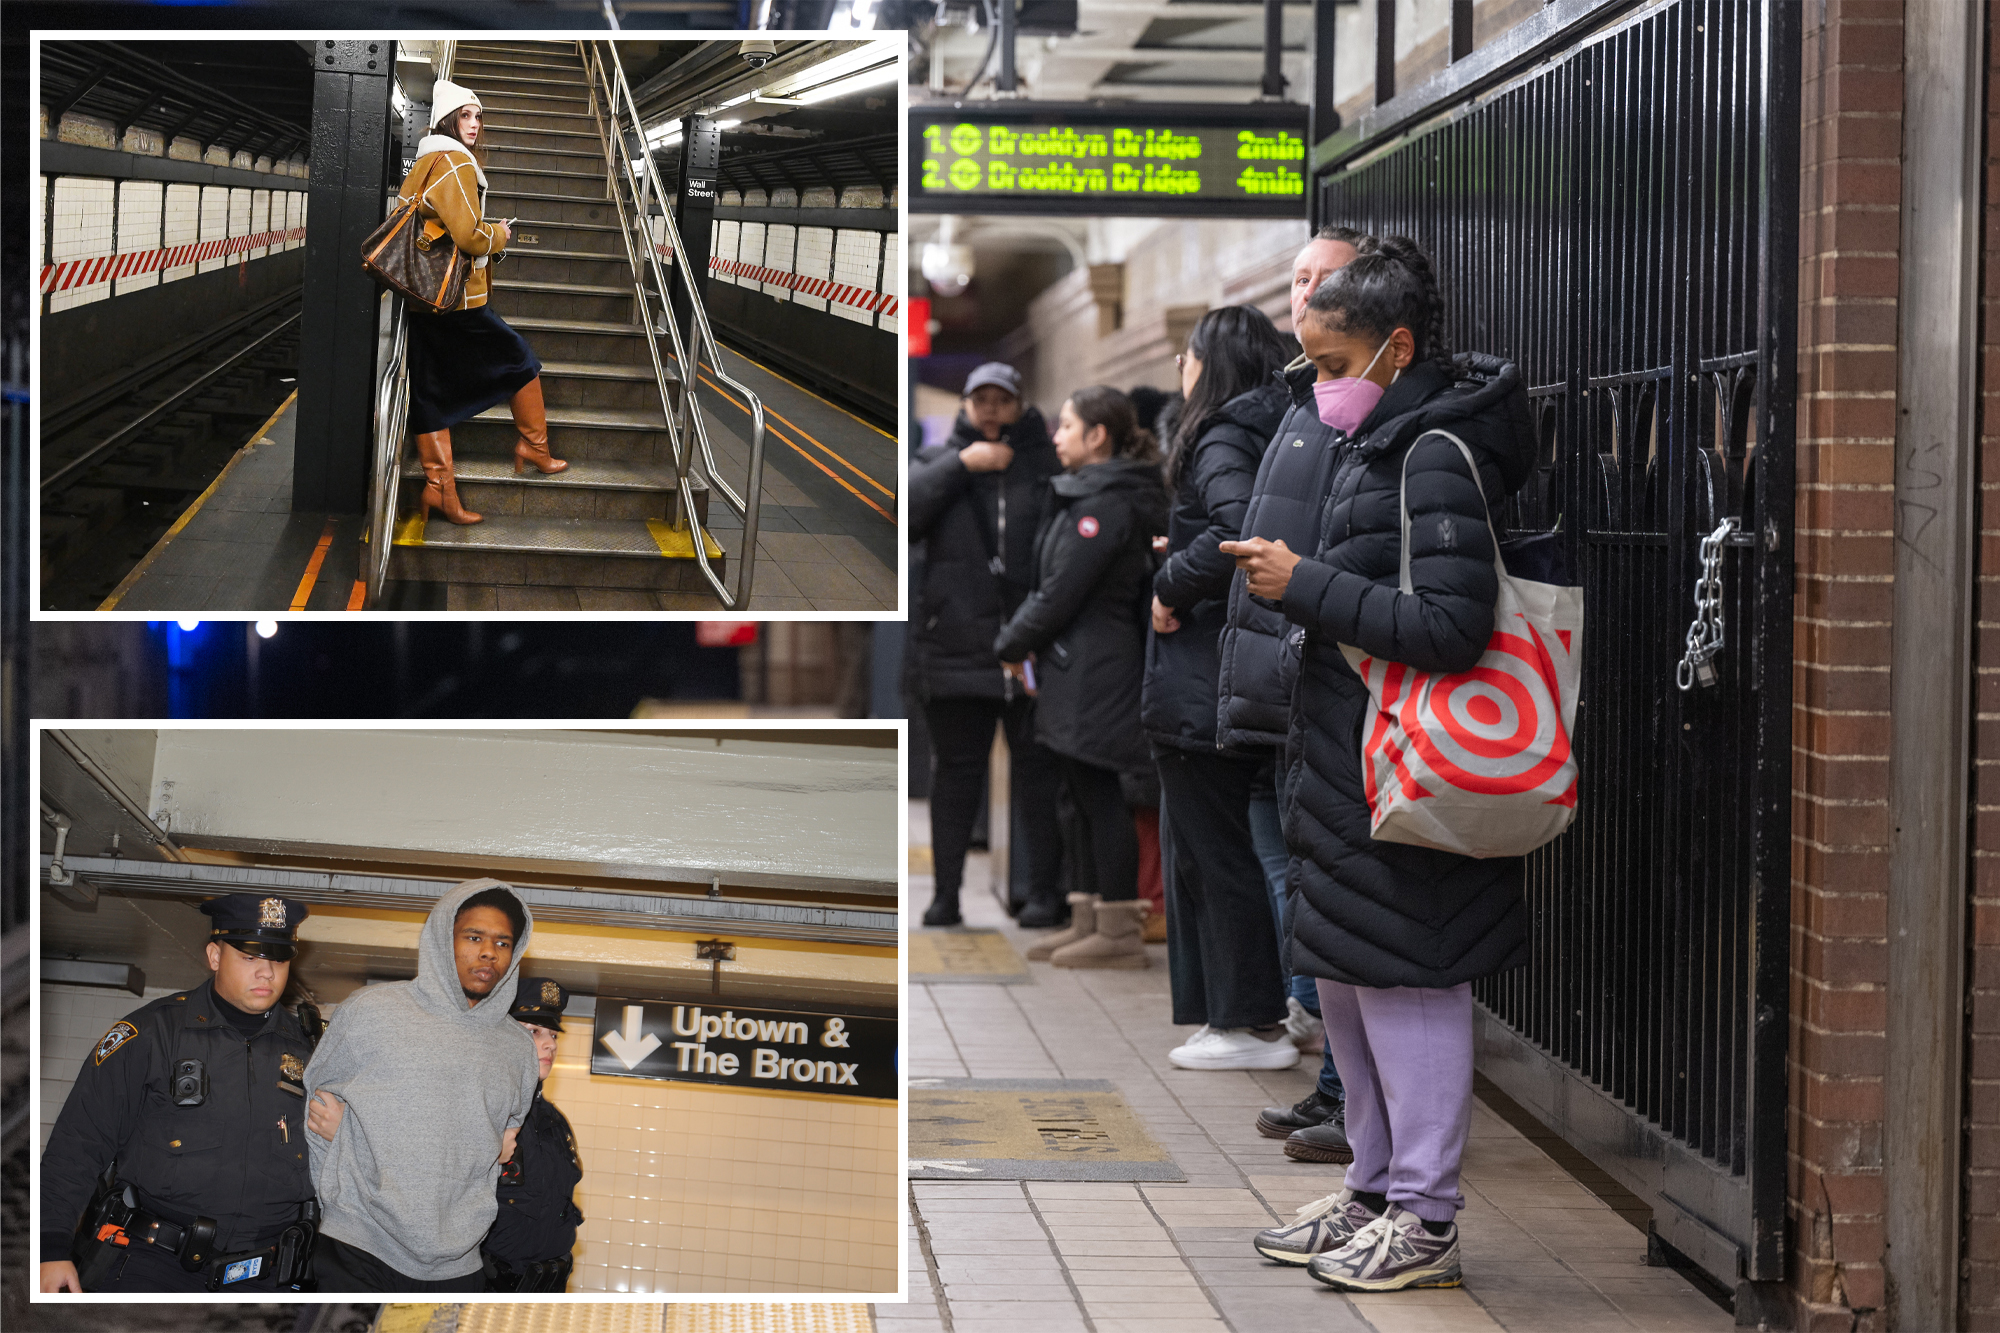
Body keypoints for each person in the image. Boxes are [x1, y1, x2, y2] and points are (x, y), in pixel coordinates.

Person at [1225, 237, 1536, 1292]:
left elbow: (1452, 626)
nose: (1319, 387)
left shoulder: (1436, 450)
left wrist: (1300, 583)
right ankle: (1370, 1189)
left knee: (1409, 984)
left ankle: (1425, 1214)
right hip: (1345, 762)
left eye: (1330, 362)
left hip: (1410, 771)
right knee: (1354, 986)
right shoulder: (1379, 438)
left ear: (1394, 349)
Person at [1218, 225, 1376, 1154]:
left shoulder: (1351, 410)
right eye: (1298, 279)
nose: (1304, 295)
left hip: (1330, 666)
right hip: (1292, 665)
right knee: (1316, 889)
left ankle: (1353, 1101)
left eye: (1324, 280)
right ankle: (1338, 1091)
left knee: (1333, 895)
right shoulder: (1300, 396)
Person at [1143, 305, 1297, 1071]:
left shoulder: (1225, 428)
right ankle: (1256, 1012)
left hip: (1206, 668)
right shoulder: (1286, 418)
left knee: (1214, 851)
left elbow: (1243, 526)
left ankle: (1246, 1020)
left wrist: (1173, 579)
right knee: (1241, 848)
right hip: (1245, 664)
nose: (1179, 364)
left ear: (1214, 362)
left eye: (1189, 352)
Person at [39, 895, 319, 1293]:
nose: (267, 973)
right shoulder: (151, 1035)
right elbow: (77, 1146)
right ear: (214, 956)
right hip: (155, 1265)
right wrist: (50, 1249)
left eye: (279, 959)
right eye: (249, 957)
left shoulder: (311, 1053)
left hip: (267, 1275)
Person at [995, 386, 1169, 968]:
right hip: (1075, 661)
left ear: (1098, 436)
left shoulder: (1107, 503)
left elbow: (1061, 590)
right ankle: (1088, 916)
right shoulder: (1088, 494)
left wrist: (1010, 642)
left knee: (1098, 792)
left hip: (1098, 665)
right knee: (1077, 792)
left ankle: (1118, 929)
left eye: (1066, 425)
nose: (1056, 435)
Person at [304, 879, 540, 1292]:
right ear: (441, 939)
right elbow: (316, 1108)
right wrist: (341, 1200)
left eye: (503, 943)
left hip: (458, 1262)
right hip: (359, 1245)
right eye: (473, 937)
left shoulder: (518, 1048)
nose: (488, 952)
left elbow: (502, 1137)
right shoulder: (372, 1010)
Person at [907, 361, 1065, 928]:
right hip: (956, 647)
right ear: (966, 406)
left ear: (1021, 405)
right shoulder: (936, 462)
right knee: (955, 774)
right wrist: (962, 464)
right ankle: (944, 895)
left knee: (1038, 773)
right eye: (982, 399)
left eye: (1003, 398)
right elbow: (903, 515)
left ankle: (1045, 893)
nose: (992, 408)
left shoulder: (1045, 466)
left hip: (1029, 648)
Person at [399, 79, 565, 528]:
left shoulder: (426, 160)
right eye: (465, 116)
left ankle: (439, 491)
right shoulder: (455, 162)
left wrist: (482, 231)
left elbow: (445, 223)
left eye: (477, 117)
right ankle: (535, 447)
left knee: (430, 392)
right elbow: (470, 235)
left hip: (422, 299)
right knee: (520, 359)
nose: (473, 125)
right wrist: (500, 235)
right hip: (458, 301)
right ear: (447, 121)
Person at [481, 976, 585, 1291]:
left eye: (553, 1034)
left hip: (544, 1291)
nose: (551, 1043)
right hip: (485, 1292)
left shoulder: (554, 1122)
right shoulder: (482, 1109)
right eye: (534, 1031)